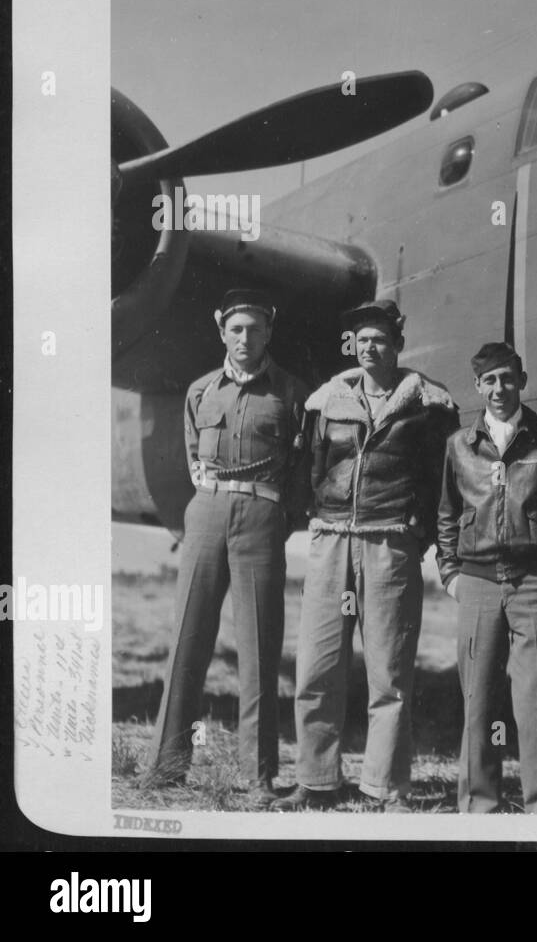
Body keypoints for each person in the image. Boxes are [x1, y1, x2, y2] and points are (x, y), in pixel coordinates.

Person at [273, 300, 457, 812]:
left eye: (380, 339)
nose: (370, 347)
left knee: (390, 674)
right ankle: (315, 781)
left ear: (398, 344)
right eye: (362, 340)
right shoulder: (324, 404)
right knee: (316, 667)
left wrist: (415, 536)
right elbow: (307, 470)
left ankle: (386, 787)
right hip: (331, 541)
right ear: (352, 346)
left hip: (390, 544)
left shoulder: (430, 406)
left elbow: (439, 480)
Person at [140, 289, 310, 807]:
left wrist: (278, 515)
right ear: (222, 331)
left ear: (269, 332)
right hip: (207, 510)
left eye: (255, 329)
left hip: (263, 516)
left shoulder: (291, 392)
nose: (245, 338)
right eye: (236, 329)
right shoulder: (199, 392)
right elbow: (194, 454)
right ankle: (167, 766)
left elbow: (302, 465)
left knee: (259, 647)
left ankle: (257, 777)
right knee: (188, 638)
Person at [436, 342, 537, 814]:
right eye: (490, 380)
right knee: (478, 700)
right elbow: (447, 515)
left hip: (535, 580)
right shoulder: (459, 445)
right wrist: (451, 573)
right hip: (477, 582)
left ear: (523, 381)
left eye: (508, 378)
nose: (499, 389)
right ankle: (479, 808)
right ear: (477, 387)